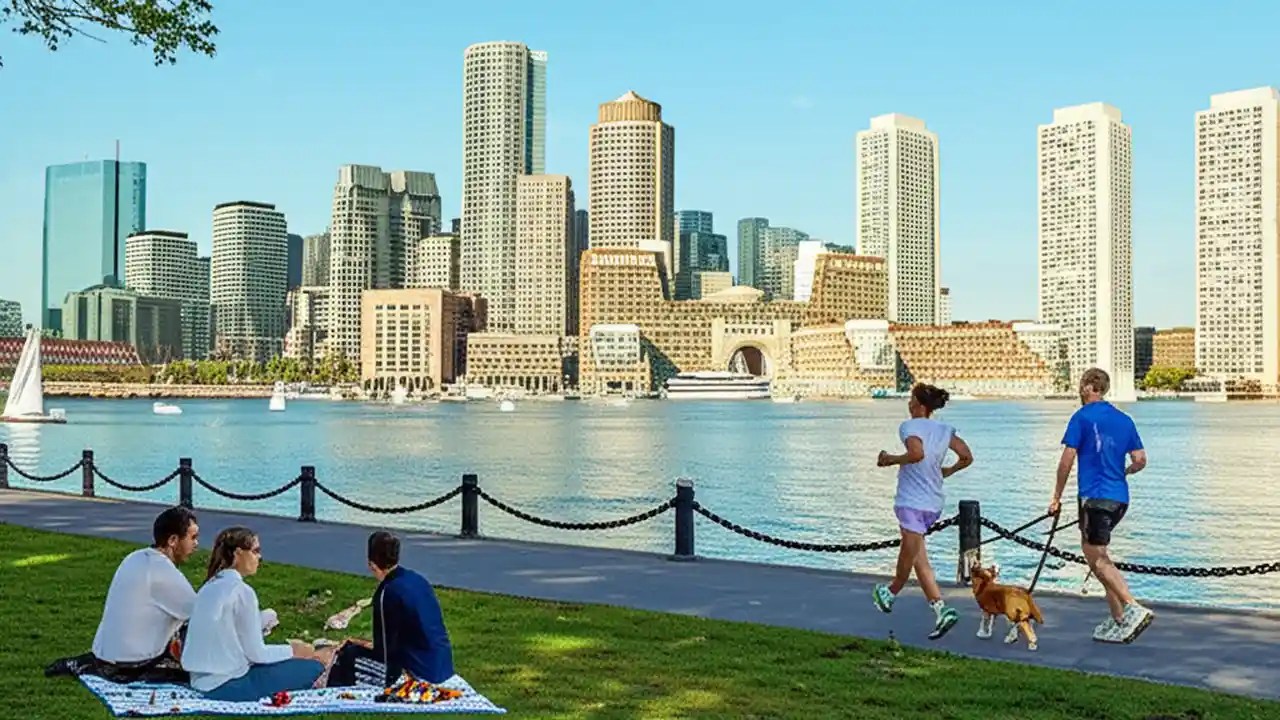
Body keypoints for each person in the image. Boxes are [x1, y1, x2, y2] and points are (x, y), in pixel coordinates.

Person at [1048, 367, 1152, 643]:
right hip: (1119, 498)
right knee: (1099, 556)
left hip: (1094, 496)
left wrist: (1056, 496)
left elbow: (1067, 460)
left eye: (1081, 385)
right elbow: (1140, 459)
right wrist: (1124, 472)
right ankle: (1118, 618)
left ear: (1087, 387)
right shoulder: (1124, 420)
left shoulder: (1081, 417)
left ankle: (1132, 607)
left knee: (1096, 558)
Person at [46, 507, 201, 682]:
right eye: (192, 537)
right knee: (196, 631)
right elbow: (200, 614)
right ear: (173, 540)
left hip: (104, 655)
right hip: (133, 664)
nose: (196, 544)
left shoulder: (135, 557)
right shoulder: (163, 571)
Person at [872, 383, 974, 640]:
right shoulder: (943, 430)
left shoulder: (909, 426)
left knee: (909, 552)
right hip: (933, 504)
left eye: (910, 399)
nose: (908, 403)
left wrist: (890, 460)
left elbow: (916, 453)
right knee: (919, 557)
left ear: (918, 404)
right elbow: (966, 456)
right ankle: (940, 610)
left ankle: (891, 591)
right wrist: (947, 471)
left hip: (911, 501)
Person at [181, 527, 327, 700]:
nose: (259, 557)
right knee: (314, 667)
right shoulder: (242, 591)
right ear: (238, 553)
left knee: (289, 662)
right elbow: (257, 654)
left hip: (200, 682)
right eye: (255, 551)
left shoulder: (208, 587)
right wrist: (294, 650)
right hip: (229, 685)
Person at [327, 531, 455, 688]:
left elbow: (384, 652)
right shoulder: (417, 580)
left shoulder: (387, 592)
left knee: (348, 655)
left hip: (419, 672)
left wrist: (356, 644)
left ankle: (341, 692)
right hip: (442, 664)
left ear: (372, 565)